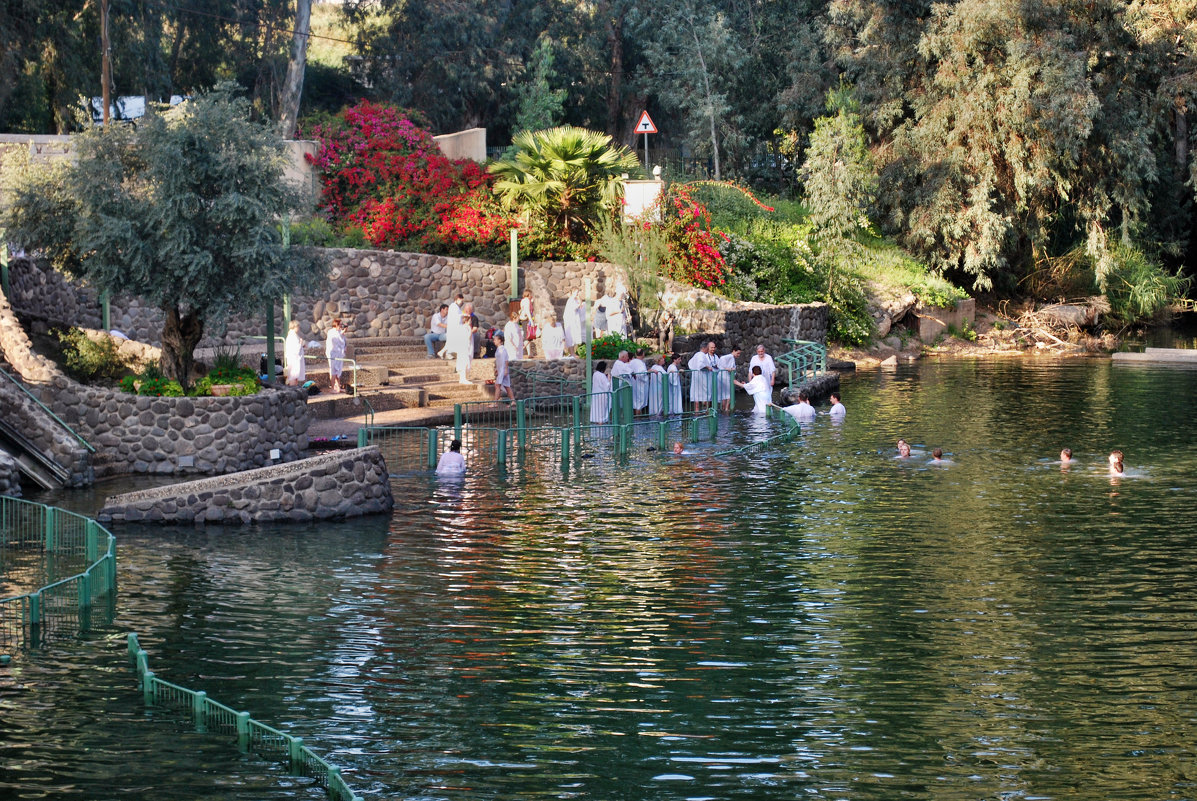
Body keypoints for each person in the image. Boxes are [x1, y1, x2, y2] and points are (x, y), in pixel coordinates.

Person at [688, 341, 718, 411]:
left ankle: (697, 412)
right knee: (706, 395)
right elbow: (700, 365)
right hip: (702, 379)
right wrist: (707, 367)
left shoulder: (696, 355)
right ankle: (707, 411)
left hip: (696, 378)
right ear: (704, 348)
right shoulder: (701, 355)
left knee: (697, 396)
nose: (708, 350)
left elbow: (690, 363)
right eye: (707, 348)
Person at [452, 306, 476, 384]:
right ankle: (463, 378)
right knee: (464, 362)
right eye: (470, 320)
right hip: (464, 347)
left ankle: (465, 377)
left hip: (468, 346)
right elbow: (467, 337)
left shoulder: (466, 327)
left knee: (467, 360)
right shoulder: (465, 328)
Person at [284, 319, 309, 386]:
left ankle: (295, 387)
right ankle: (293, 388)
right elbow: (295, 348)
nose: (298, 328)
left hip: (296, 358)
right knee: (293, 375)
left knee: (296, 375)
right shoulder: (292, 336)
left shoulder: (294, 335)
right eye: (297, 326)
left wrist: (302, 344)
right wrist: (301, 343)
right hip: (294, 358)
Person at [325, 318, 347, 393]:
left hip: (339, 354)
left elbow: (343, 341)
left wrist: (343, 333)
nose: (341, 326)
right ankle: (332, 388)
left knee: (339, 370)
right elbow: (335, 339)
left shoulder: (340, 332)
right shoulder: (331, 332)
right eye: (340, 324)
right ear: (336, 325)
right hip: (332, 354)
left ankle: (338, 387)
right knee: (333, 370)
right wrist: (341, 334)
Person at [717, 345, 741, 413]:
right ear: (734, 351)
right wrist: (728, 369)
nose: (738, 355)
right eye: (738, 353)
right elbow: (720, 364)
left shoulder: (732, 358)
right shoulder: (728, 357)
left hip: (726, 377)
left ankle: (725, 408)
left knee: (725, 394)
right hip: (724, 377)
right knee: (727, 393)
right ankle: (726, 408)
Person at [492, 332, 514, 401]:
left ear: (499, 340)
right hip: (500, 369)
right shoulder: (498, 349)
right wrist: (496, 369)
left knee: (497, 385)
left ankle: (495, 402)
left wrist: (506, 369)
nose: (494, 341)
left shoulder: (503, 349)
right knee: (506, 386)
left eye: (495, 340)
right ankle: (513, 401)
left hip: (503, 370)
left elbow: (506, 360)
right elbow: (498, 360)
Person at [444, 293, 465, 359]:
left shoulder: (457, 307)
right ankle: (448, 354)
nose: (462, 302)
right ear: (457, 299)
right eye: (461, 300)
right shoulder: (453, 306)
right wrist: (463, 315)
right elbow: (456, 316)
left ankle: (456, 354)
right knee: (451, 341)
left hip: (457, 327)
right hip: (453, 327)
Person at [630, 348, 649, 414]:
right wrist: (648, 372)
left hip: (633, 384)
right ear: (643, 354)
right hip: (640, 385)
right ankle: (638, 420)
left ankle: (636, 417)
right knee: (639, 403)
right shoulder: (640, 363)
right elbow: (641, 374)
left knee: (635, 402)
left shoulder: (632, 362)